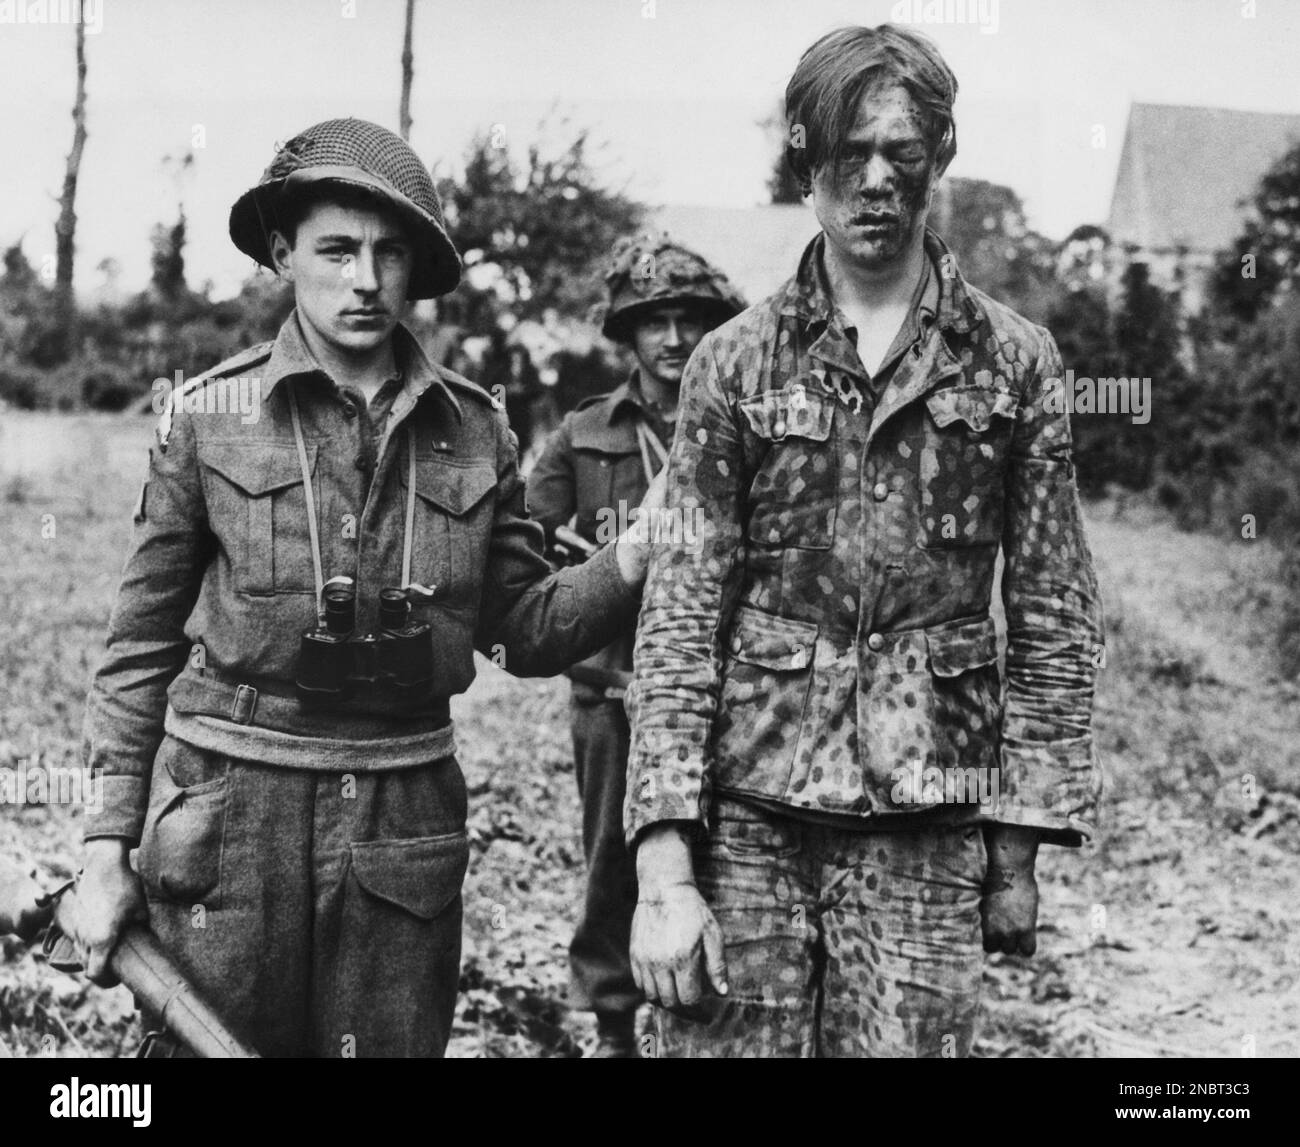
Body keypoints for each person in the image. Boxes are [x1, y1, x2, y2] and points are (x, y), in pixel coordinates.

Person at [66, 117, 657, 1058]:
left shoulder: (475, 430)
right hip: (231, 825)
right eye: (336, 249)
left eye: (390, 254)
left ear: (417, 267)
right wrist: (104, 848)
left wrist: (633, 557)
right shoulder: (209, 418)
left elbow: (524, 629)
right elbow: (139, 647)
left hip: (400, 833)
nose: (365, 279)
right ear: (282, 253)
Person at [623, 25, 1104, 1058]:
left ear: (939, 155)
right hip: (748, 822)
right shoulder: (733, 362)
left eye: (903, 152)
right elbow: (678, 612)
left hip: (930, 832)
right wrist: (665, 864)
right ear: (807, 162)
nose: (876, 180)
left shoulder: (1017, 363)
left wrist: (1017, 844)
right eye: (849, 153)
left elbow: (1055, 609)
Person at [528, 234, 744, 1056]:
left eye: (691, 319)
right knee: (613, 862)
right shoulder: (586, 433)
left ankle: (716, 1017)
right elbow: (522, 541)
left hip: (717, 686)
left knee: (723, 856)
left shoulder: (737, 421)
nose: (675, 338)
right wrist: (595, 563)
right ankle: (614, 1022)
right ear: (627, 332)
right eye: (653, 320)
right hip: (613, 686)